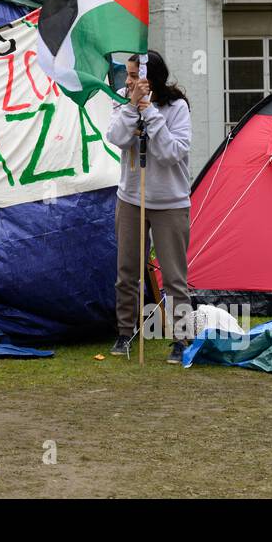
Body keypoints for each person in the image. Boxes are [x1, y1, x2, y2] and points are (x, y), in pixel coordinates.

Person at [106, 50, 194, 364]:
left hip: (170, 202)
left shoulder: (177, 107)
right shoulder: (121, 99)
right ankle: (125, 332)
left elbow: (172, 153)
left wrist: (152, 114)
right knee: (127, 272)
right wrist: (133, 107)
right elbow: (116, 137)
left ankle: (183, 338)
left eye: (133, 76)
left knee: (173, 277)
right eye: (127, 75)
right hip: (131, 198)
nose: (128, 81)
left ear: (150, 78)